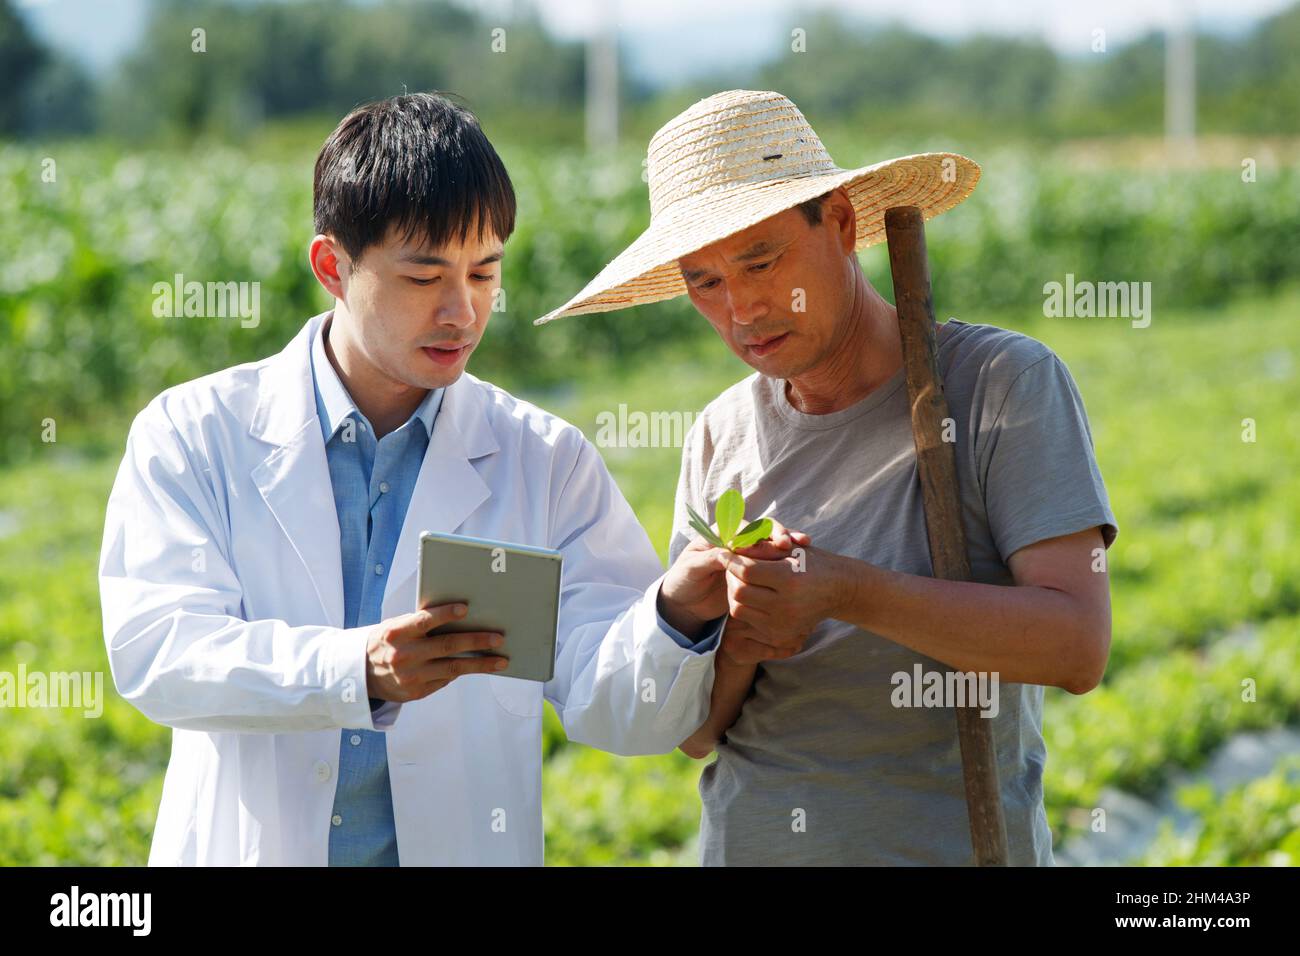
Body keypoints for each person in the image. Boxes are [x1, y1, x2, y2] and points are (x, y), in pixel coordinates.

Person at [98, 91, 795, 866]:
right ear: (333, 266)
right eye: (424, 277)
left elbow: (618, 710)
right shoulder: (195, 434)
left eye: (485, 273)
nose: (462, 312)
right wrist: (357, 670)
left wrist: (674, 612)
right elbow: (159, 653)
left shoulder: (544, 460)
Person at [536, 89, 1120, 865]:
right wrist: (738, 631)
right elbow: (698, 732)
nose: (742, 308)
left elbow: (1077, 646)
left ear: (841, 223)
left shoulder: (998, 385)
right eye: (704, 281)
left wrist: (847, 590)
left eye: (762, 260)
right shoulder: (721, 434)